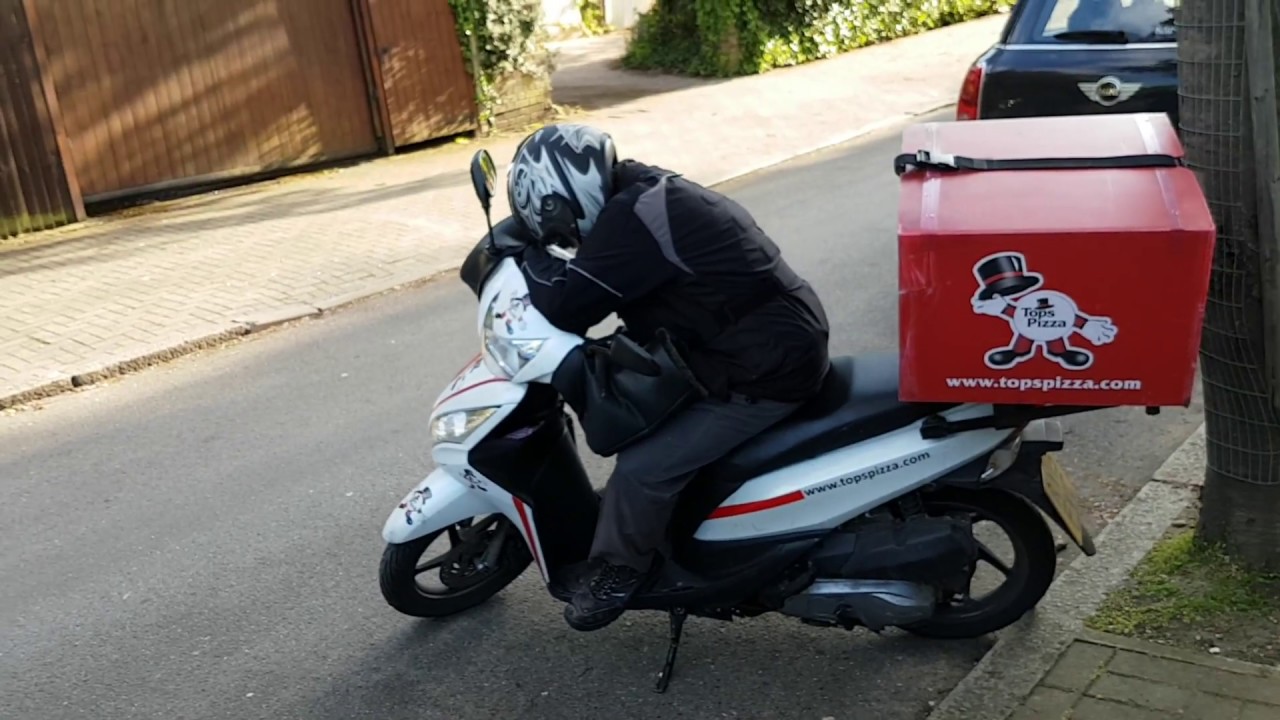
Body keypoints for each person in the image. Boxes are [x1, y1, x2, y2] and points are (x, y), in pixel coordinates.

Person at [507, 123, 831, 632]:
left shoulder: (633, 220)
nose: (563, 235)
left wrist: (525, 251)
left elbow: (567, 307)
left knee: (645, 466)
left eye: (555, 222)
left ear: (563, 198)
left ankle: (622, 570)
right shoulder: (644, 197)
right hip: (755, 343)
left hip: (763, 366)